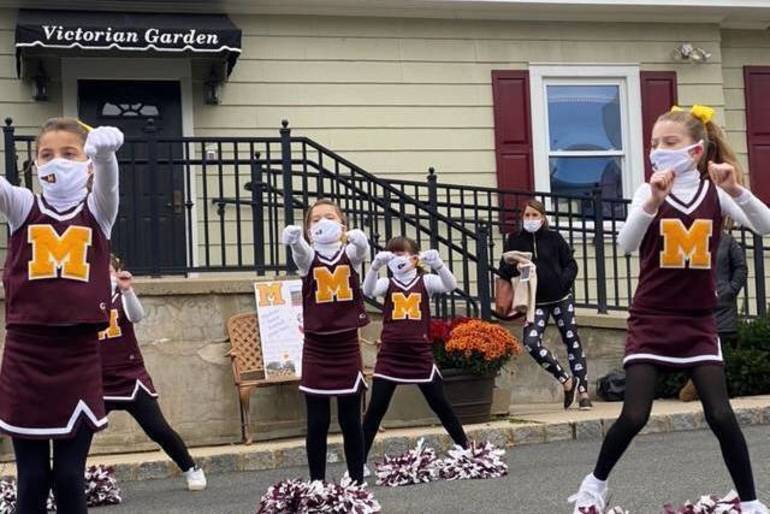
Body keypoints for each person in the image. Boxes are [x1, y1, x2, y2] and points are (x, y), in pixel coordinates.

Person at [568, 104, 770, 514]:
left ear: (696, 150)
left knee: (720, 413)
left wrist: (737, 191)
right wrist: (652, 202)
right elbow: (625, 244)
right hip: (653, 317)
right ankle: (594, 485)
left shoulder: (716, 193)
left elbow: (765, 227)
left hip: (697, 320)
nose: (659, 150)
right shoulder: (649, 190)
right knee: (635, 415)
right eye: (655, 143)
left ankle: (749, 503)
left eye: (669, 142)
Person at [0, 118, 123, 513]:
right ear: (35, 165)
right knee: (32, 480)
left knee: (70, 479)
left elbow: (108, 186)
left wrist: (105, 157)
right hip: (26, 355)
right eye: (46, 155)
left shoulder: (98, 213)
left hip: (79, 354)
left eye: (69, 154)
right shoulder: (22, 207)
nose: (57, 162)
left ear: (85, 164)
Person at [100, 255, 206, 491]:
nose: (104, 275)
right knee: (80, 433)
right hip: (98, 379)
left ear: (118, 272)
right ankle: (66, 483)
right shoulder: (85, 299)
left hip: (130, 377)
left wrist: (127, 291)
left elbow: (136, 316)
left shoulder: (122, 296)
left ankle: (191, 468)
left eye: (108, 270)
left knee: (158, 429)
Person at [282, 199, 370, 484]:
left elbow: (360, 251)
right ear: (309, 229)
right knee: (317, 422)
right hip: (317, 348)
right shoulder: (309, 257)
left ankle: (357, 480)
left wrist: (359, 238)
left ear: (342, 223)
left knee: (350, 420)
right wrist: (294, 240)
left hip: (346, 345)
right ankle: (317, 483)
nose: (322, 222)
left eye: (329, 217)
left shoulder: (349, 254)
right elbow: (300, 255)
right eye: (315, 219)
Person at [361, 236, 468, 469]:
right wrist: (374, 266)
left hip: (419, 353)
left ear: (414, 257)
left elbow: (450, 285)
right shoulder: (387, 284)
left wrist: (438, 264)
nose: (399, 259)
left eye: (403, 254)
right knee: (376, 409)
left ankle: (466, 451)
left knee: (440, 403)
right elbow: (367, 291)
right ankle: (358, 463)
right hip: (390, 354)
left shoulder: (425, 281)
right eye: (394, 254)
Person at [495, 200, 591, 410]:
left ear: (543, 217)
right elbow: (504, 270)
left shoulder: (554, 238)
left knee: (572, 340)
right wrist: (516, 265)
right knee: (531, 342)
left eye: (534, 215)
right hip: (534, 302)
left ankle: (583, 392)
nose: (530, 220)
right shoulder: (514, 239)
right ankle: (567, 381)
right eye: (527, 215)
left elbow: (571, 265)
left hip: (561, 298)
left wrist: (562, 281)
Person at [680, 230, 747, 401]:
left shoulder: (728, 241)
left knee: (720, 348)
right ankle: (701, 387)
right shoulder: (692, 237)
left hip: (722, 306)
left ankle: (708, 390)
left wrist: (730, 290)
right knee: (698, 347)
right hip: (697, 304)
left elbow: (741, 267)